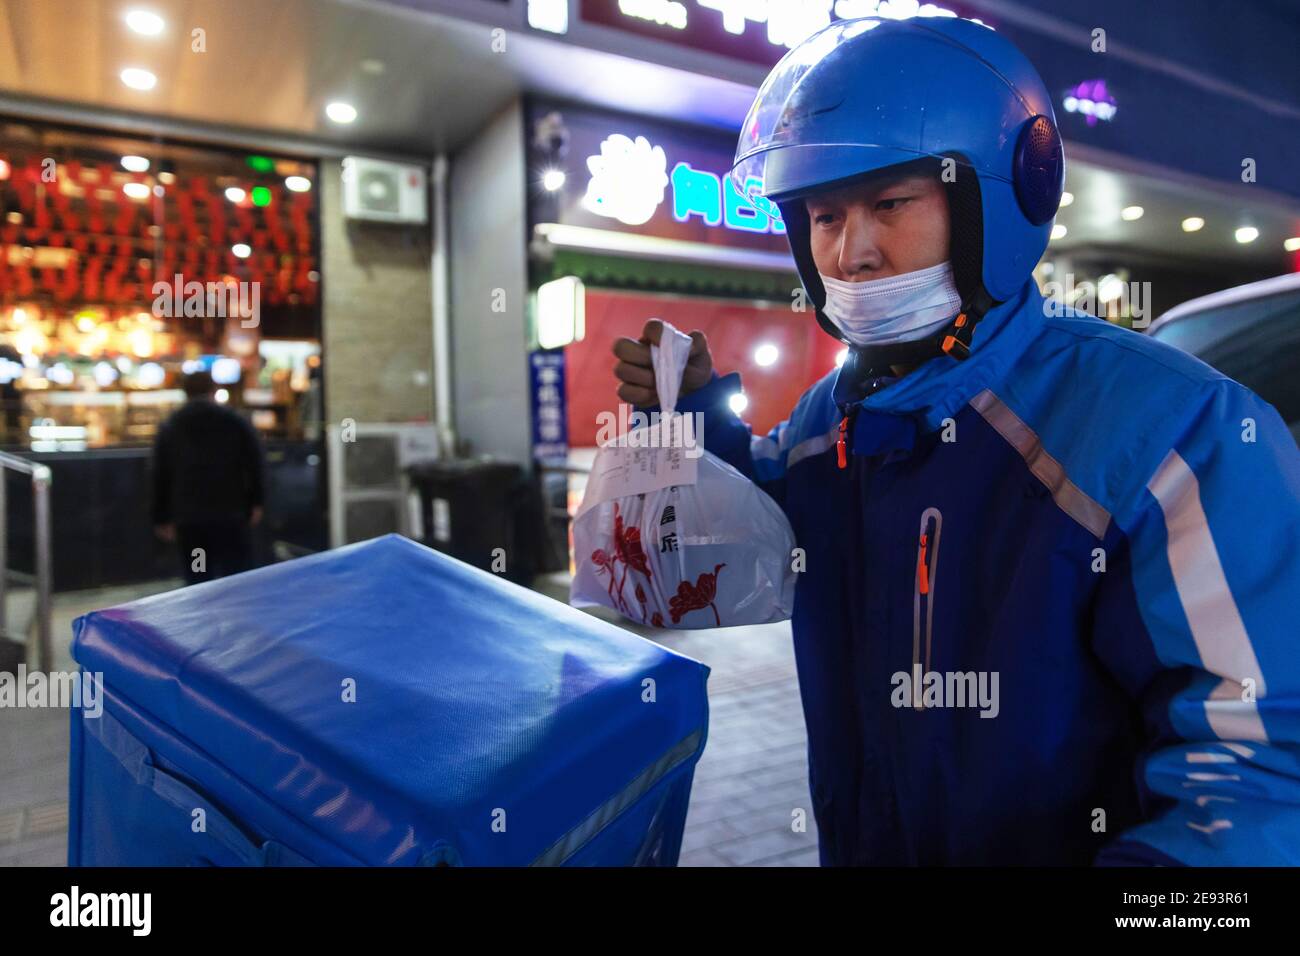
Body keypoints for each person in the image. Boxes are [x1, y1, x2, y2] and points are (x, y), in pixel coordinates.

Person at [612, 16, 1300, 866]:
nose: (851, 252)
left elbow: (1263, 772)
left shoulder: (1169, 429)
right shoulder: (836, 416)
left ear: (1003, 194)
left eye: (889, 203)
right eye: (823, 217)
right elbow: (748, 545)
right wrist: (696, 424)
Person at [152, 369, 264, 584]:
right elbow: (254, 463)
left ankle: (204, 616)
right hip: (231, 517)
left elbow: (161, 474)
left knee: (199, 577)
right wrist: (256, 502)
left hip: (192, 522)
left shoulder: (172, 425)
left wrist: (161, 517)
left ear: (184, 392)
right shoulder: (235, 421)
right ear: (214, 390)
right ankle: (237, 618)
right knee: (236, 578)